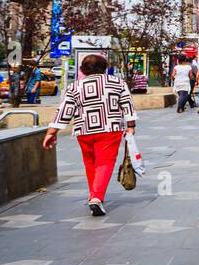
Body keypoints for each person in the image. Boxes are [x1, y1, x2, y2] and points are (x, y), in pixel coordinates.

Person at [42, 53, 136, 216]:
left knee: (90, 162)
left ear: (83, 70)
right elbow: (127, 104)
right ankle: (97, 198)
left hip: (84, 130)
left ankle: (94, 194)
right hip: (109, 129)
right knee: (105, 162)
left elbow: (65, 110)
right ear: (105, 67)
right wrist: (131, 126)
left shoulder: (75, 87)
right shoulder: (117, 83)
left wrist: (52, 131)